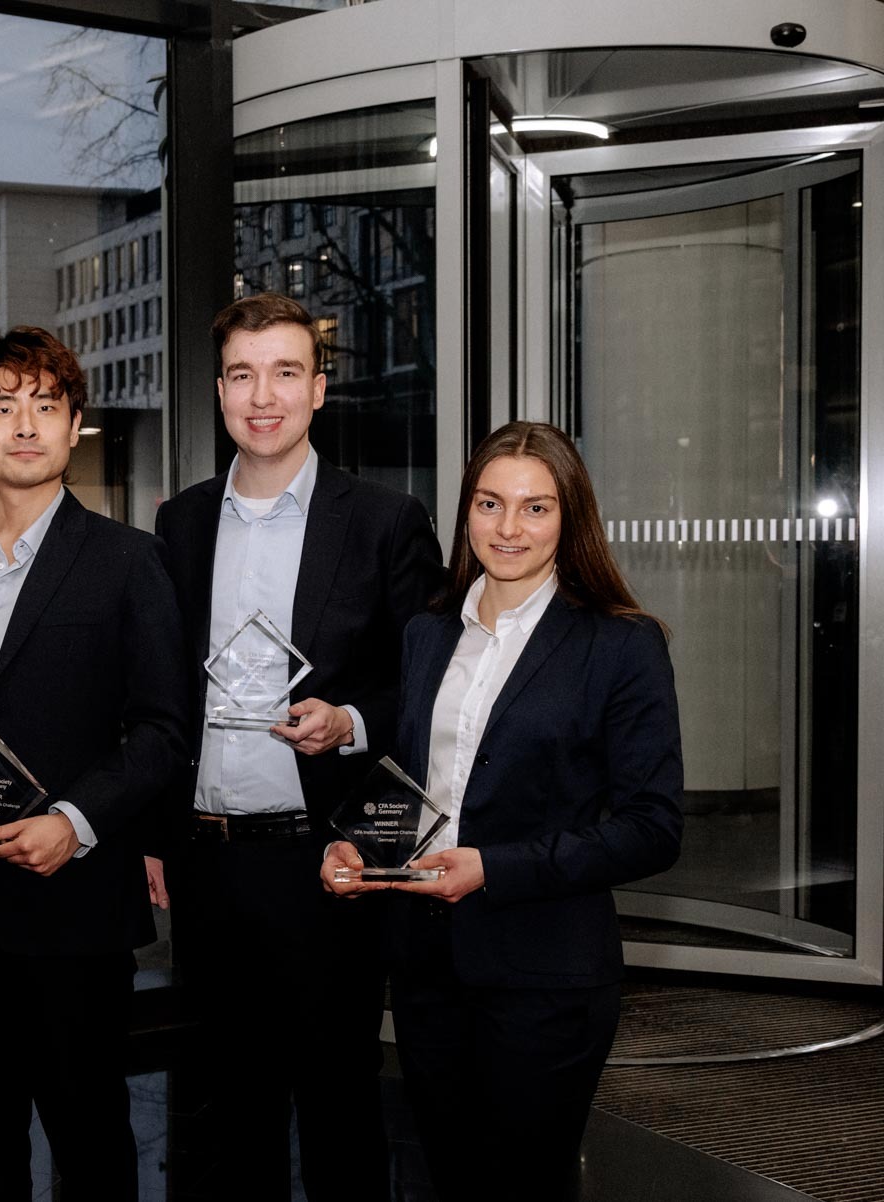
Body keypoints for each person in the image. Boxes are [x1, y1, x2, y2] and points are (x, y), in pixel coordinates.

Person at [323, 420, 684, 1201]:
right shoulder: (427, 634)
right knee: (447, 1179)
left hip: (546, 975)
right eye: (490, 504)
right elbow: (416, 782)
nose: (508, 528)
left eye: (535, 508)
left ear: (571, 518)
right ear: (465, 513)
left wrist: (493, 868)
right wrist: (355, 845)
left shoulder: (621, 645)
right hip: (426, 970)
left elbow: (653, 826)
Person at [151, 292, 442, 1200]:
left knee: (338, 1111)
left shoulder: (386, 520)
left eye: (285, 373)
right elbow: (157, 693)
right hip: (206, 861)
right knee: (221, 1115)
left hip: (326, 861)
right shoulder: (181, 523)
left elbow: (429, 684)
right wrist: (157, 832)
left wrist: (349, 721)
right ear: (220, 390)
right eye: (243, 375)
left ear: (320, 389)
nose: (262, 395)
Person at [0, 326, 189, 1201]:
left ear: (73, 428)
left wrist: (78, 821)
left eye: (45, 407)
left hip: (75, 906)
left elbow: (164, 730)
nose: (24, 425)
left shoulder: (131, 562)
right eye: (1, 406)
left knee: (91, 1140)